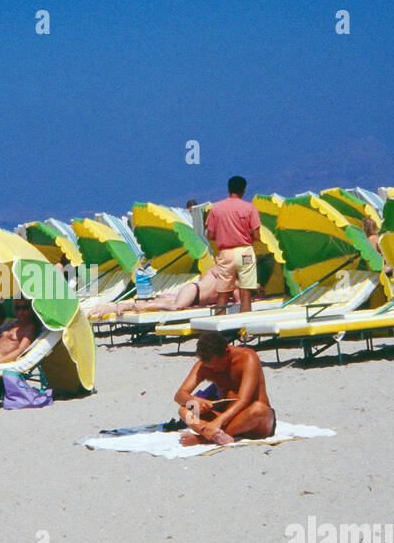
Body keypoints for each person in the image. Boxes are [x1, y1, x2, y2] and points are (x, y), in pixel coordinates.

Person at [173, 330, 275, 446]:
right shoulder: (204, 365)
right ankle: (209, 433)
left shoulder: (248, 358)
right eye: (210, 367)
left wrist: (218, 422)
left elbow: (244, 400)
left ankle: (203, 439)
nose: (215, 370)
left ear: (226, 351)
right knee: (185, 409)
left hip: (255, 421)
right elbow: (179, 395)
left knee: (258, 408)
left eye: (217, 365)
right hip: (226, 420)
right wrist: (197, 401)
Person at [88, 263, 236, 319]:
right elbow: (239, 299)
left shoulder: (230, 278)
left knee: (160, 302)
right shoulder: (222, 271)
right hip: (194, 291)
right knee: (175, 306)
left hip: (194, 296)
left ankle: (115, 306)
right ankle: (133, 306)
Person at [205, 176, 262, 314]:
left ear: (228, 189)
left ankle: (220, 329)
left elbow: (210, 235)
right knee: (246, 292)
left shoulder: (216, 208)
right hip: (245, 252)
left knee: (223, 293)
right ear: (244, 190)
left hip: (226, 253)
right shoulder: (250, 208)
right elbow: (256, 236)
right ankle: (245, 331)